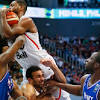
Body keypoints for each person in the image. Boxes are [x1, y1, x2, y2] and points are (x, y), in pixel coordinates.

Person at [1, 0, 71, 100]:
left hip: (43, 64)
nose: (9, 7)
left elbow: (8, 34)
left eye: (12, 5)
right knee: (29, 97)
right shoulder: (7, 28)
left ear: (21, 7)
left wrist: (2, 15)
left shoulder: (26, 20)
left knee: (59, 96)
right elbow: (4, 35)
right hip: (27, 69)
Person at [0, 35, 26, 100]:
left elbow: (20, 97)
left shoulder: (11, 82)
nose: (13, 52)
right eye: (9, 48)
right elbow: (20, 40)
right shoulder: (1, 62)